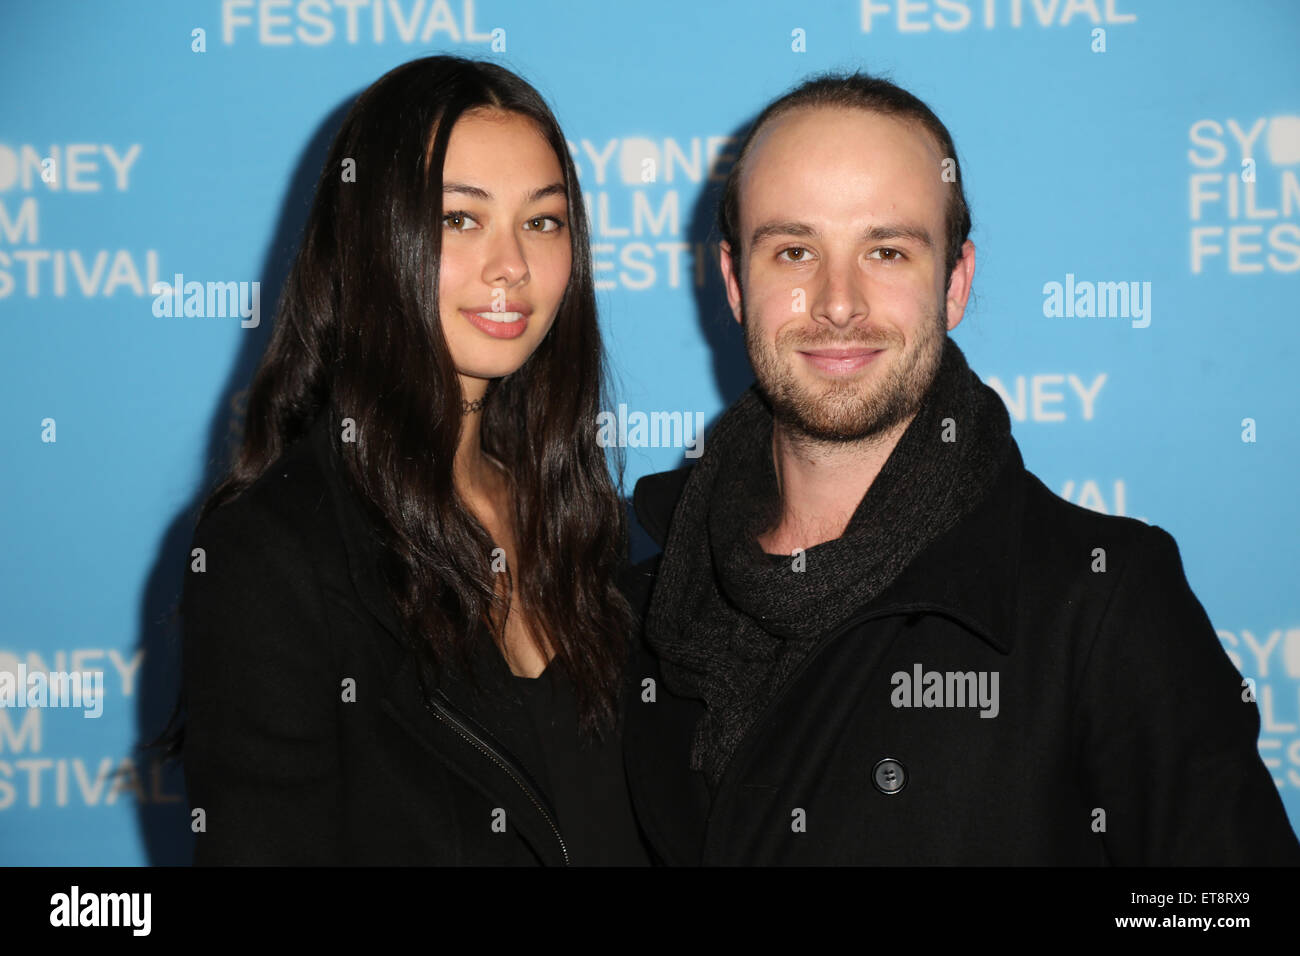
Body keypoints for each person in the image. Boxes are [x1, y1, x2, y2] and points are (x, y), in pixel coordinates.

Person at [620, 70, 1300, 865]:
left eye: (887, 250)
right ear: (737, 283)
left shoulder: (1102, 600)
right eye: (795, 250)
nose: (838, 302)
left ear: (956, 284)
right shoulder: (630, 603)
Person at [168, 55, 648, 865]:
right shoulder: (274, 555)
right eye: (459, 219)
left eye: (543, 221)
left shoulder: (576, 514)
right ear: (371, 237)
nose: (513, 268)